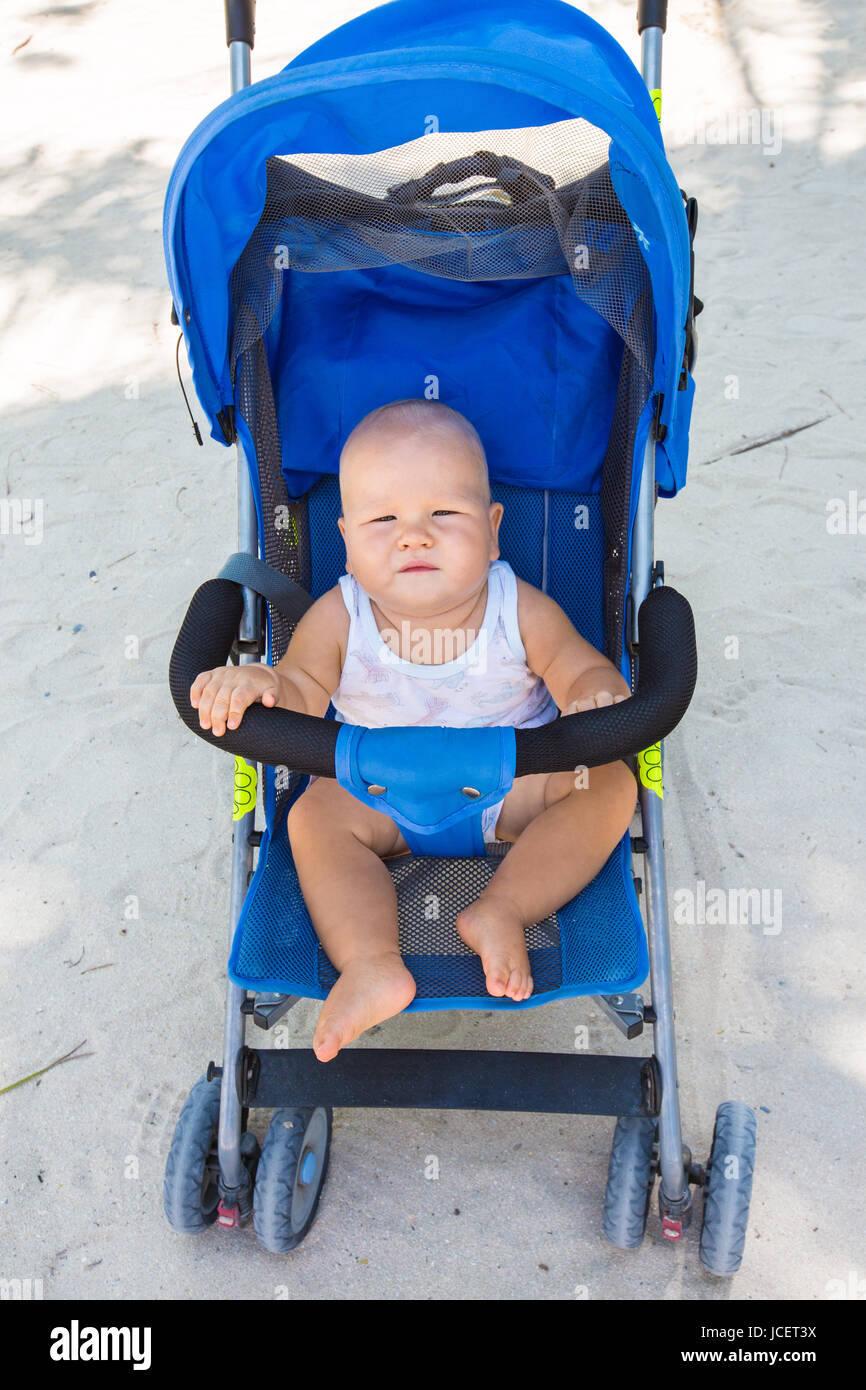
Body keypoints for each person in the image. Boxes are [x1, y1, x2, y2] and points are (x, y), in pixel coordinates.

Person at [191, 399, 637, 1062]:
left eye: (444, 515)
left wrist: (591, 692)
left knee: (607, 785)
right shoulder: (340, 615)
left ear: (492, 531)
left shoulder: (518, 607)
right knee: (314, 819)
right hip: (376, 794)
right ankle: (371, 963)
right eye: (384, 520)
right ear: (345, 538)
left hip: (515, 789)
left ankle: (503, 908)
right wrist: (265, 685)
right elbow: (303, 691)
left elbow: (576, 666)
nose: (414, 536)